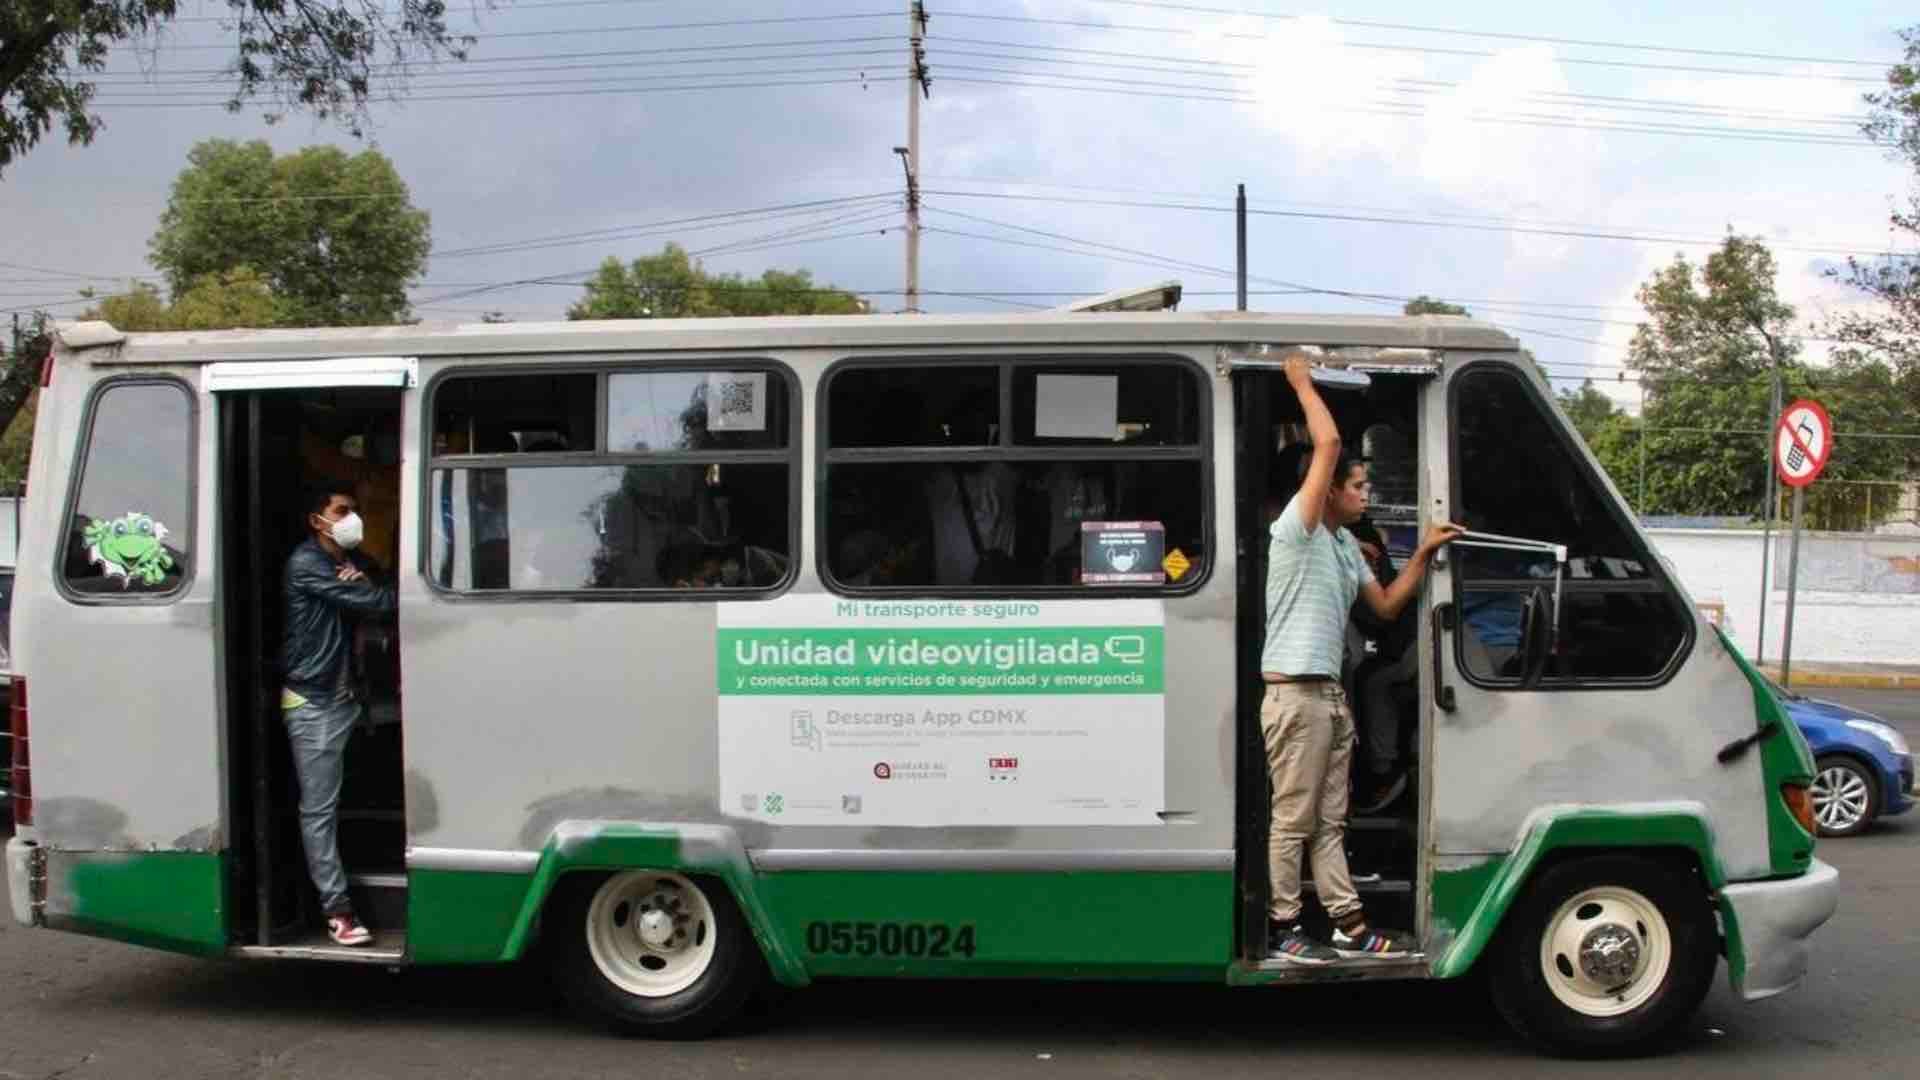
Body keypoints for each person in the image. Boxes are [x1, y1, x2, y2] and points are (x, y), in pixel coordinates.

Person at [1261, 353, 1461, 966]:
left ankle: (1347, 922)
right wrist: (1298, 378)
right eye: (1357, 485)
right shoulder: (1298, 529)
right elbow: (1327, 441)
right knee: (1294, 819)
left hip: (1328, 696)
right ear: (1326, 492)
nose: (1364, 493)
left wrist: (1423, 553)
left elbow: (1387, 607)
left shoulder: (1346, 546)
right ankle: (1284, 926)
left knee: (1329, 821)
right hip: (1295, 694)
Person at [282, 490, 398, 947]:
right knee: (318, 810)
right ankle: (338, 912)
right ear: (317, 520)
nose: (353, 518)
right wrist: (364, 590)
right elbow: (381, 604)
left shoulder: (355, 559)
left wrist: (364, 584)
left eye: (353, 509)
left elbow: (389, 592)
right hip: (315, 701)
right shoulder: (307, 564)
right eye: (342, 511)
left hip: (353, 697)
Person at [1346, 517, 1418, 813]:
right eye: (1359, 486)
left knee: (1369, 680)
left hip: (1409, 643)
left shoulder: (1353, 537)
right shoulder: (1345, 537)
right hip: (1401, 640)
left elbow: (1381, 612)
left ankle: (1383, 772)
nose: (1365, 494)